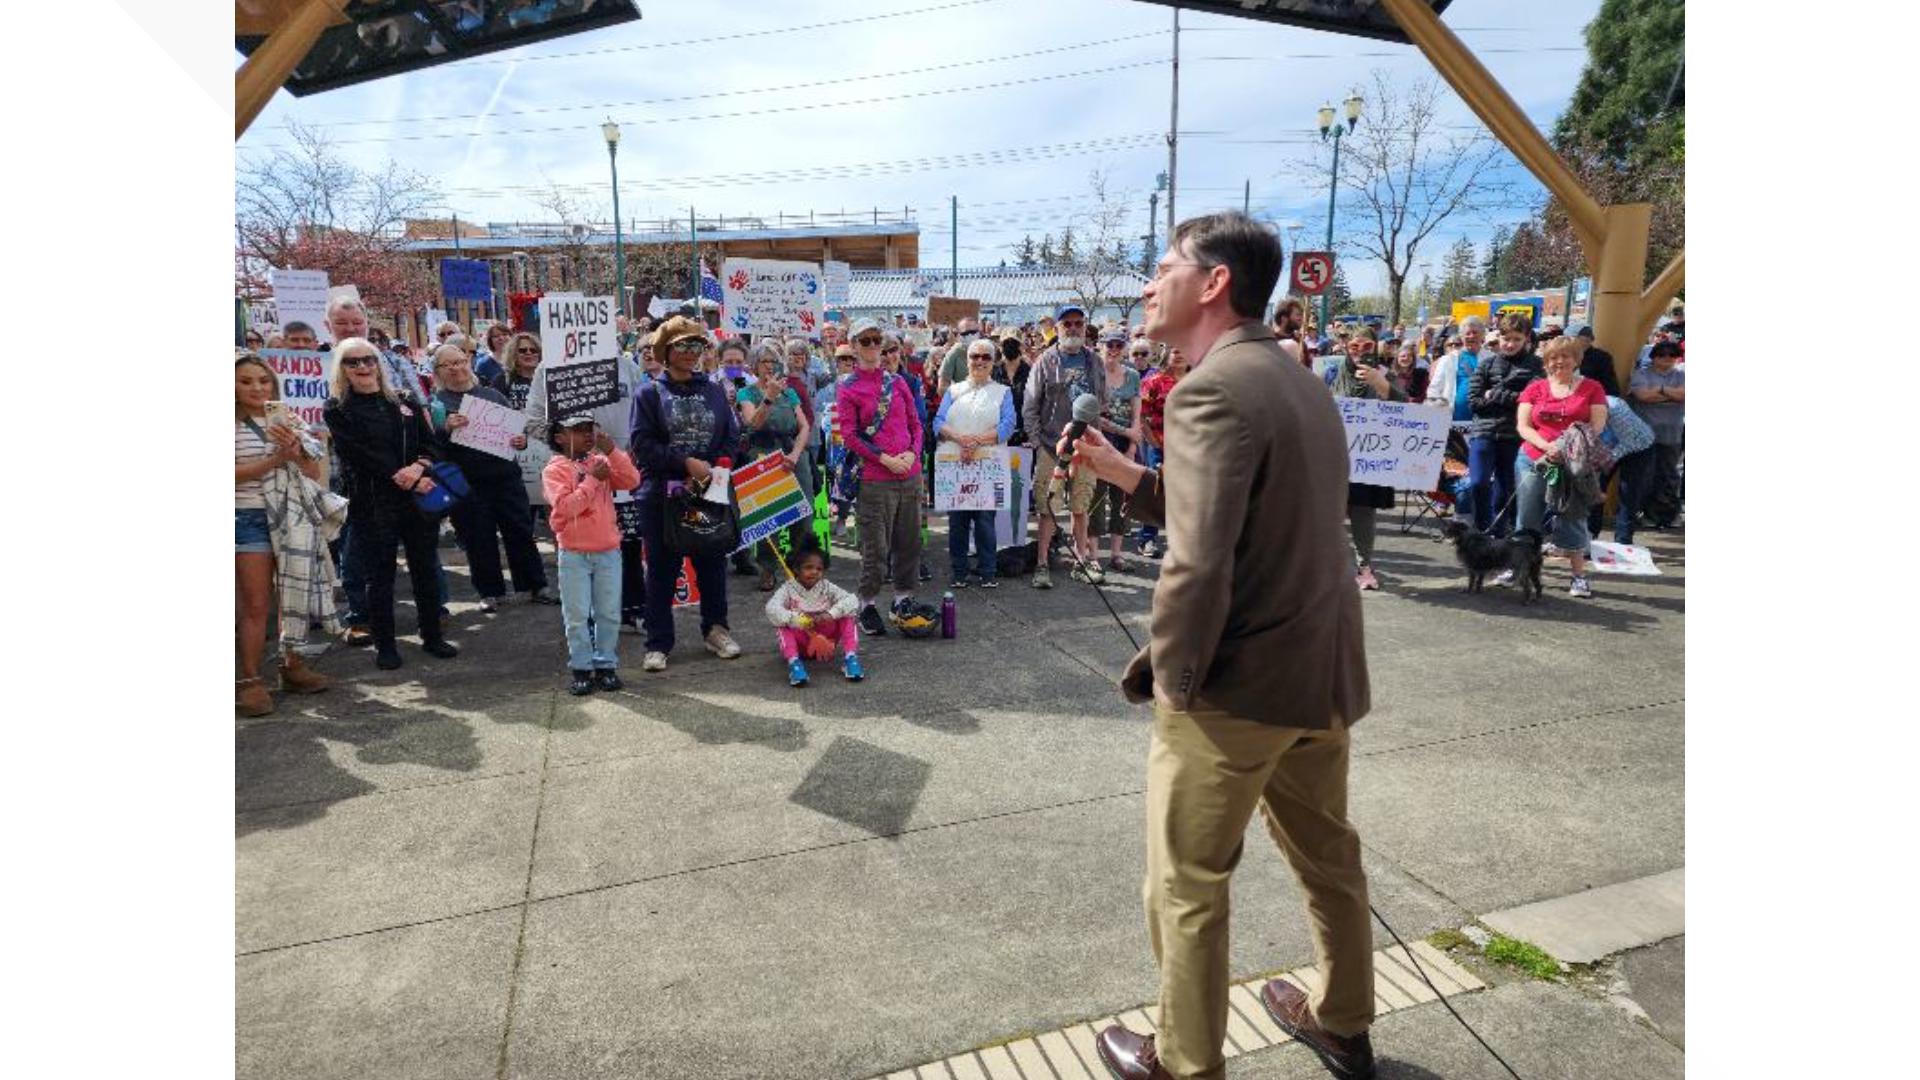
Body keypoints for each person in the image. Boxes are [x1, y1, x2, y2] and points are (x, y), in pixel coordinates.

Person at [1065, 212, 1375, 1080]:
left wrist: (1175, 680)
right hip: (1320, 673)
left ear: (1213, 283)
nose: (1147, 284)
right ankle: (1344, 1021)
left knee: (1186, 884)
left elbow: (1198, 562)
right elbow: (1246, 513)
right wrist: (1124, 474)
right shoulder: (1297, 381)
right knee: (1329, 859)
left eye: (1165, 266)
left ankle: (1186, 1060)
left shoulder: (1208, 390)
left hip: (1237, 690)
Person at [323, 337, 460, 670]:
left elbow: (431, 443)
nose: (362, 366)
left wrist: (419, 467)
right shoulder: (337, 408)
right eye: (353, 362)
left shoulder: (405, 399)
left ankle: (432, 635)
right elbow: (358, 454)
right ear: (342, 369)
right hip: (372, 502)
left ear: (378, 363)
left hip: (417, 498)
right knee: (380, 575)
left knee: (425, 568)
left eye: (368, 359)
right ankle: (385, 645)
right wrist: (405, 474)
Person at [629, 317, 743, 671]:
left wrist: (714, 468)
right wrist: (685, 464)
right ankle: (658, 642)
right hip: (661, 496)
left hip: (709, 489)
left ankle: (716, 629)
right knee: (661, 570)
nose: (692, 353)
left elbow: (731, 436)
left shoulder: (714, 390)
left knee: (713, 564)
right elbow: (642, 445)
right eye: (683, 345)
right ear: (666, 351)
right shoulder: (648, 394)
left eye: (698, 345)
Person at [235, 353, 333, 716]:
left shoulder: (289, 419)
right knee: (256, 604)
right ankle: (249, 680)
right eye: (245, 381)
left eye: (263, 380)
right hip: (247, 517)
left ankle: (292, 667)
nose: (256, 387)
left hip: (291, 515)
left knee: (294, 596)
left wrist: (295, 450)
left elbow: (312, 472)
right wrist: (275, 461)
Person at [430, 344, 557, 612]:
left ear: (469, 362)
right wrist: (445, 428)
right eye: (447, 364)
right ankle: (489, 592)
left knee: (520, 532)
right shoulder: (437, 404)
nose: (456, 368)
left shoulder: (493, 395)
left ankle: (535, 585)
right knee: (479, 538)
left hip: (505, 477)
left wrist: (521, 441)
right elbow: (431, 445)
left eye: (460, 361)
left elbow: (517, 434)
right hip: (467, 482)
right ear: (438, 372)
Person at [836, 317, 926, 636]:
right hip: (875, 477)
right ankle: (867, 604)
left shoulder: (898, 382)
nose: (874, 346)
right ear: (854, 346)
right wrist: (885, 458)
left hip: (909, 474)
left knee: (909, 542)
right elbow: (850, 435)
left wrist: (913, 454)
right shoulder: (848, 388)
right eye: (866, 341)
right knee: (875, 547)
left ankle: (902, 599)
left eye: (877, 340)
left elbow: (916, 424)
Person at [543, 415, 641, 695]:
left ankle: (606, 665)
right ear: (560, 438)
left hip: (608, 551)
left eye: (590, 429)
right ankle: (581, 669)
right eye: (578, 430)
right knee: (576, 615)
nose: (587, 435)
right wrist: (592, 480)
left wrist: (613, 452)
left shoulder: (599, 461)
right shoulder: (554, 470)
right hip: (574, 554)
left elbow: (631, 480)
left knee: (608, 613)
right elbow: (566, 508)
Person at [1514, 335, 1610, 598]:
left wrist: (1565, 448)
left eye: (1565, 356)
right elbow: (1523, 426)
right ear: (1545, 362)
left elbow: (1597, 426)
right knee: (1527, 516)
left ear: (1576, 359)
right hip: (1534, 458)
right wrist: (1547, 447)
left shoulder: (1592, 387)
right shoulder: (1535, 388)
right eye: (1553, 357)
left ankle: (1579, 577)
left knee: (1573, 517)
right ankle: (1520, 568)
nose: (1559, 361)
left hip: (1574, 463)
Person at [1022, 303, 1109, 587]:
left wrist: (1093, 436)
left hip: (1086, 447)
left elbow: (1102, 402)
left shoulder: (1094, 362)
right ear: (1057, 328)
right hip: (1051, 446)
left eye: (1078, 323)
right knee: (1047, 508)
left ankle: (1081, 562)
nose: (1073, 328)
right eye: (1067, 324)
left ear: (1085, 327)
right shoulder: (1045, 361)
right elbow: (1030, 406)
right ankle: (1042, 564)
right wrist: (1038, 443)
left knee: (1081, 506)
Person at [933, 337, 1016, 588]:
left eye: (985, 357)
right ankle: (959, 572)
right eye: (974, 356)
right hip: (955, 464)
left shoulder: (1003, 392)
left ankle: (987, 571)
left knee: (985, 520)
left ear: (994, 362)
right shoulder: (953, 390)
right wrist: (960, 440)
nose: (979, 361)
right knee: (957, 522)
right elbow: (938, 422)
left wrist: (976, 441)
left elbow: (1008, 424)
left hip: (988, 465)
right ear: (966, 360)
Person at [1331, 331, 1408, 591]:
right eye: (1354, 346)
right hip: (1336, 455)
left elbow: (1403, 405)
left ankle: (1364, 566)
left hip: (1368, 459)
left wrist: (1379, 383)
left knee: (1363, 513)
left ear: (1375, 348)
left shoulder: (1385, 374)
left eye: (1366, 346)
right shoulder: (1332, 372)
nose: (1359, 351)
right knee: (1329, 512)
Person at [738, 344, 815, 591]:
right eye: (764, 361)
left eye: (773, 361)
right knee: (769, 518)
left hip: (793, 455)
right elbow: (753, 423)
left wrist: (795, 454)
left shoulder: (789, 392)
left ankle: (800, 568)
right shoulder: (746, 393)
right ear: (754, 366)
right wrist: (769, 397)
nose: (770, 366)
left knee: (803, 515)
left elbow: (804, 426)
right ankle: (768, 569)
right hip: (764, 455)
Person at [1465, 313, 1543, 537]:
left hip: (1514, 435)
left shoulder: (1536, 366)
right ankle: (1482, 529)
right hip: (1483, 432)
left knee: (1505, 489)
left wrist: (1495, 394)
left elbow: (1531, 402)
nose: (1510, 344)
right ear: (1498, 337)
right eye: (1506, 338)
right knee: (1478, 482)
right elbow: (1474, 402)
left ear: (1527, 339)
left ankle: (1499, 533)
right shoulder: (1487, 364)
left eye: (1516, 339)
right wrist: (1513, 399)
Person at [763, 545, 864, 687]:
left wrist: (830, 614)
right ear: (796, 569)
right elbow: (771, 608)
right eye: (808, 567)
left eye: (819, 569)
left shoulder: (827, 587)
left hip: (827, 641)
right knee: (781, 624)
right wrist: (795, 619)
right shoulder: (787, 589)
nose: (814, 572)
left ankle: (851, 658)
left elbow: (852, 600)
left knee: (847, 615)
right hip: (801, 645)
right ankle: (794, 663)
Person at [1095, 327, 1144, 572]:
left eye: (1119, 345)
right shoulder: (1094, 374)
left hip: (1126, 444)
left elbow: (1137, 414)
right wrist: (1126, 432)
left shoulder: (1132, 375)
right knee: (1096, 497)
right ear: (1101, 346)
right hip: (1099, 441)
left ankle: (1116, 554)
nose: (1114, 350)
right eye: (1110, 345)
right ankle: (1092, 555)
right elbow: (1094, 416)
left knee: (1121, 499)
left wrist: (1133, 445)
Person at [1134, 346, 1189, 560]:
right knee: (1157, 491)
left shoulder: (1199, 380)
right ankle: (1147, 538)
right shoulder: (1154, 381)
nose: (1180, 354)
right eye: (1175, 350)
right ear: (1167, 355)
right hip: (1160, 446)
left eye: (1183, 349)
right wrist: (1152, 441)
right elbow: (1140, 415)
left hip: (1190, 447)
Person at [1628, 340, 1686, 529]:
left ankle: (1668, 514)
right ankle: (1644, 513)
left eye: (1672, 355)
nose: (1667, 358)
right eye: (1662, 354)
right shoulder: (1642, 374)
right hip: (1646, 434)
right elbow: (1643, 396)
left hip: (1672, 433)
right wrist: (1672, 396)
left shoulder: (1681, 375)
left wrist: (1660, 391)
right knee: (1645, 475)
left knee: (1669, 475)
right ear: (1653, 357)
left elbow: (1684, 395)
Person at [1425, 317, 1481, 422]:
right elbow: (1434, 390)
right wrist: (1437, 415)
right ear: (1461, 336)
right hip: (1452, 421)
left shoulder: (1490, 358)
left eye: (1475, 332)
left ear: (1482, 335)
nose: (1471, 336)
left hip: (1482, 422)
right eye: (1468, 333)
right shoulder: (1448, 359)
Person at [1573, 325, 1620, 398]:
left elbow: (1610, 385)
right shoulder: (1564, 356)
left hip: (1594, 396)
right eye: (1581, 340)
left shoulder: (1602, 357)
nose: (1584, 343)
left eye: (1587, 340)